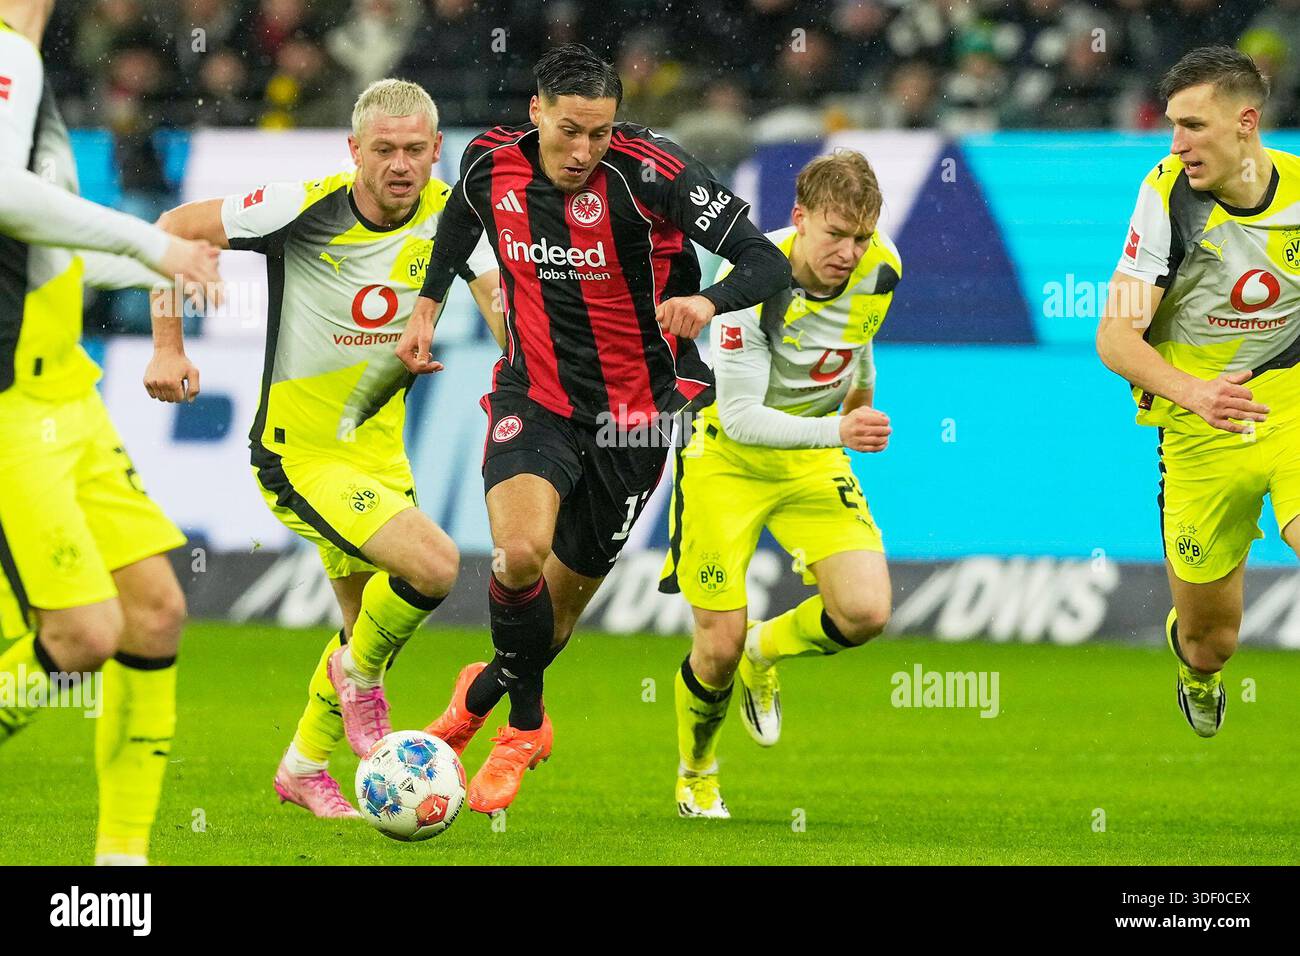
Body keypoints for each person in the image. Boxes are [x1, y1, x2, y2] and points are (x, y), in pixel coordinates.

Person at [399, 43, 791, 815]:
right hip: (535, 394)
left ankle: (477, 698)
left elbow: (765, 262)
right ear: (537, 112)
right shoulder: (489, 162)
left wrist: (708, 304)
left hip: (635, 423)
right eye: (569, 131)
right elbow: (459, 215)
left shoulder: (656, 173)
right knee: (517, 554)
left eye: (601, 134)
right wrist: (427, 304)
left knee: (557, 610)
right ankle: (522, 728)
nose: (583, 152)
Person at [147, 78, 501, 815]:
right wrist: (168, 349)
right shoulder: (304, 206)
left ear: (438, 150)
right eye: (383, 150)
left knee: (363, 627)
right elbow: (175, 225)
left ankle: (304, 765)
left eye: (415, 150)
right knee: (433, 569)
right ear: (354, 151)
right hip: (298, 457)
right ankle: (362, 683)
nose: (400, 165)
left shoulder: (454, 216)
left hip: (379, 456)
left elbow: (498, 304)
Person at [0, 0, 222, 865]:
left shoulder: (24, 65)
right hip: (12, 403)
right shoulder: (6, 57)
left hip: (68, 394)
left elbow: (41, 237)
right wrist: (151, 247)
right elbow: (5, 197)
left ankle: (121, 866)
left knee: (154, 614)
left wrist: (139, 255)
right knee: (81, 637)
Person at [658, 150, 898, 816]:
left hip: (815, 457)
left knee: (866, 612)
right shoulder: (746, 286)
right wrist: (840, 434)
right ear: (798, 219)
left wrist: (862, 394)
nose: (849, 253)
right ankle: (697, 772)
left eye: (860, 237)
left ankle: (767, 650)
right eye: (834, 235)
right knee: (717, 645)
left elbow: (860, 334)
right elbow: (740, 418)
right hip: (727, 464)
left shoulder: (885, 264)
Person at [1097, 46, 1300, 737]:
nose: (1178, 144)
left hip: (1293, 409)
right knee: (1212, 638)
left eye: (1194, 126)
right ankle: (1197, 672)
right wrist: (1195, 394)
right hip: (1198, 432)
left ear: (1246, 122)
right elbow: (1115, 340)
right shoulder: (1166, 198)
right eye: (1174, 126)